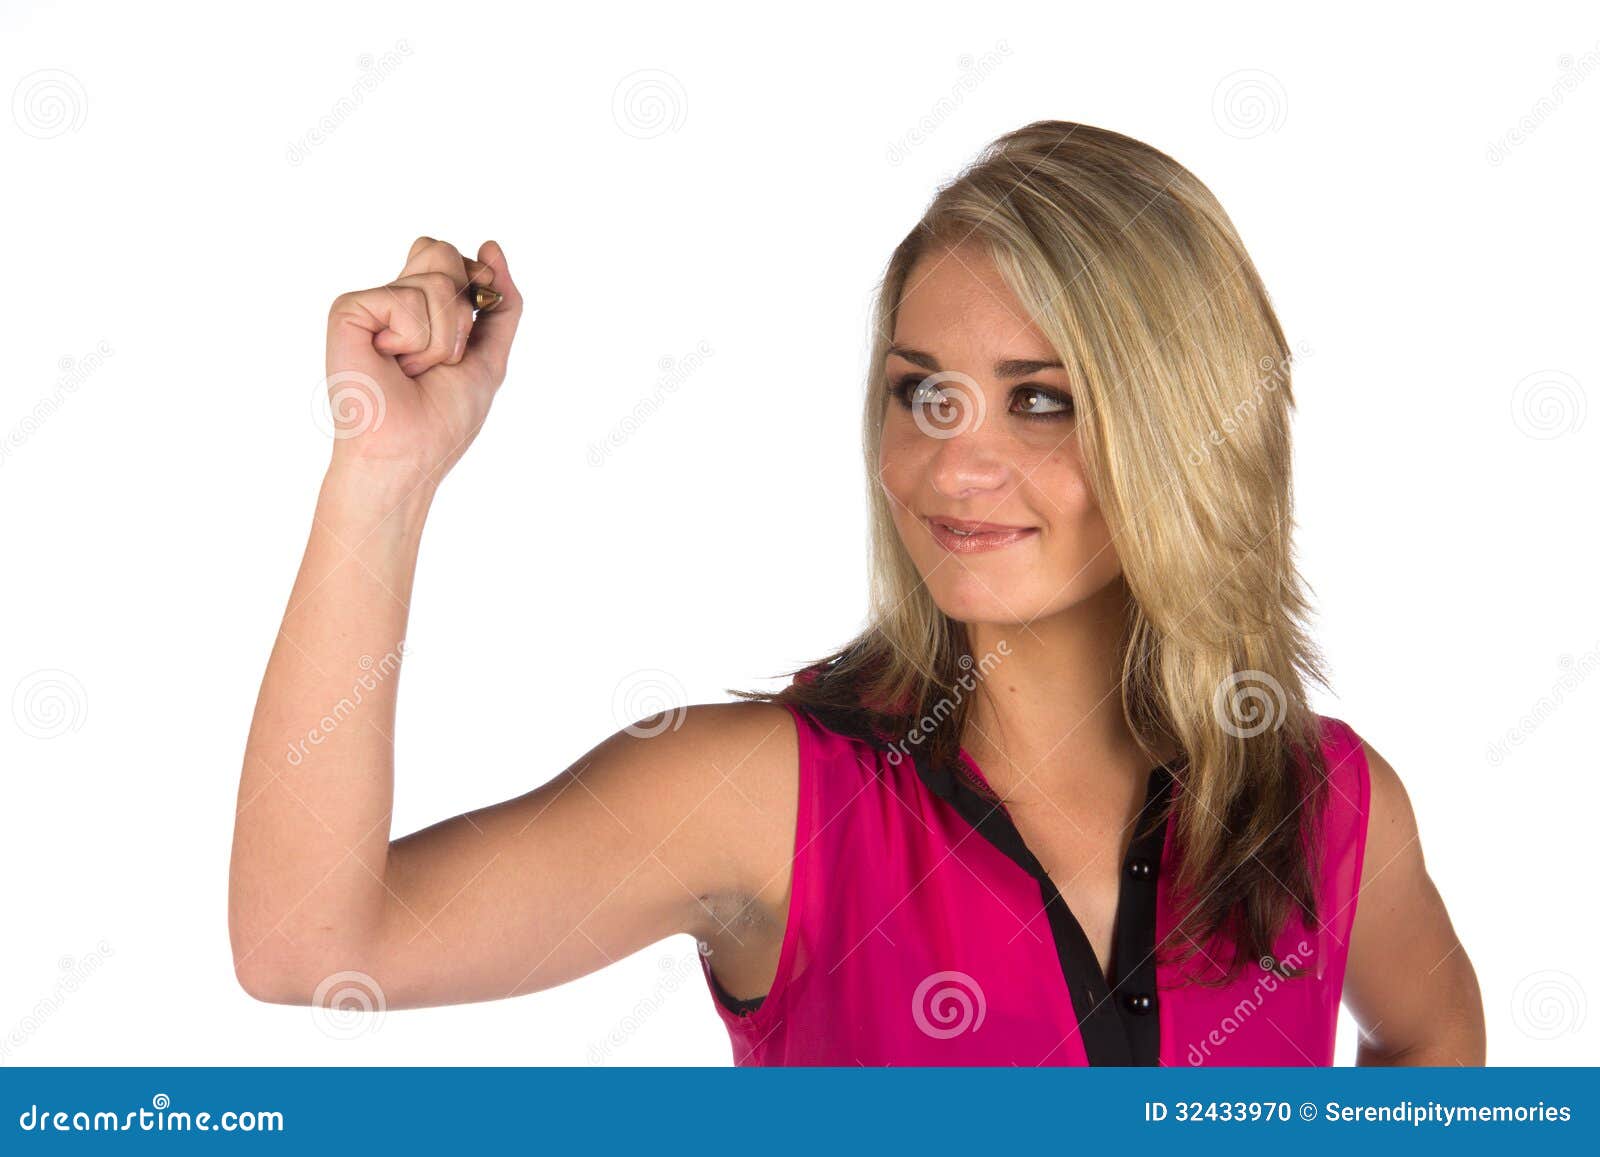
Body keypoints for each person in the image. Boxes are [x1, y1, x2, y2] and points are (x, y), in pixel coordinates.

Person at [228, 120, 1485, 1066]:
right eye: (920, 391)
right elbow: (309, 947)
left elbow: (1438, 1053)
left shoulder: (1326, 803)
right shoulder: (768, 795)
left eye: (1039, 398)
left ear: (1183, 429)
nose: (955, 460)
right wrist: (382, 477)